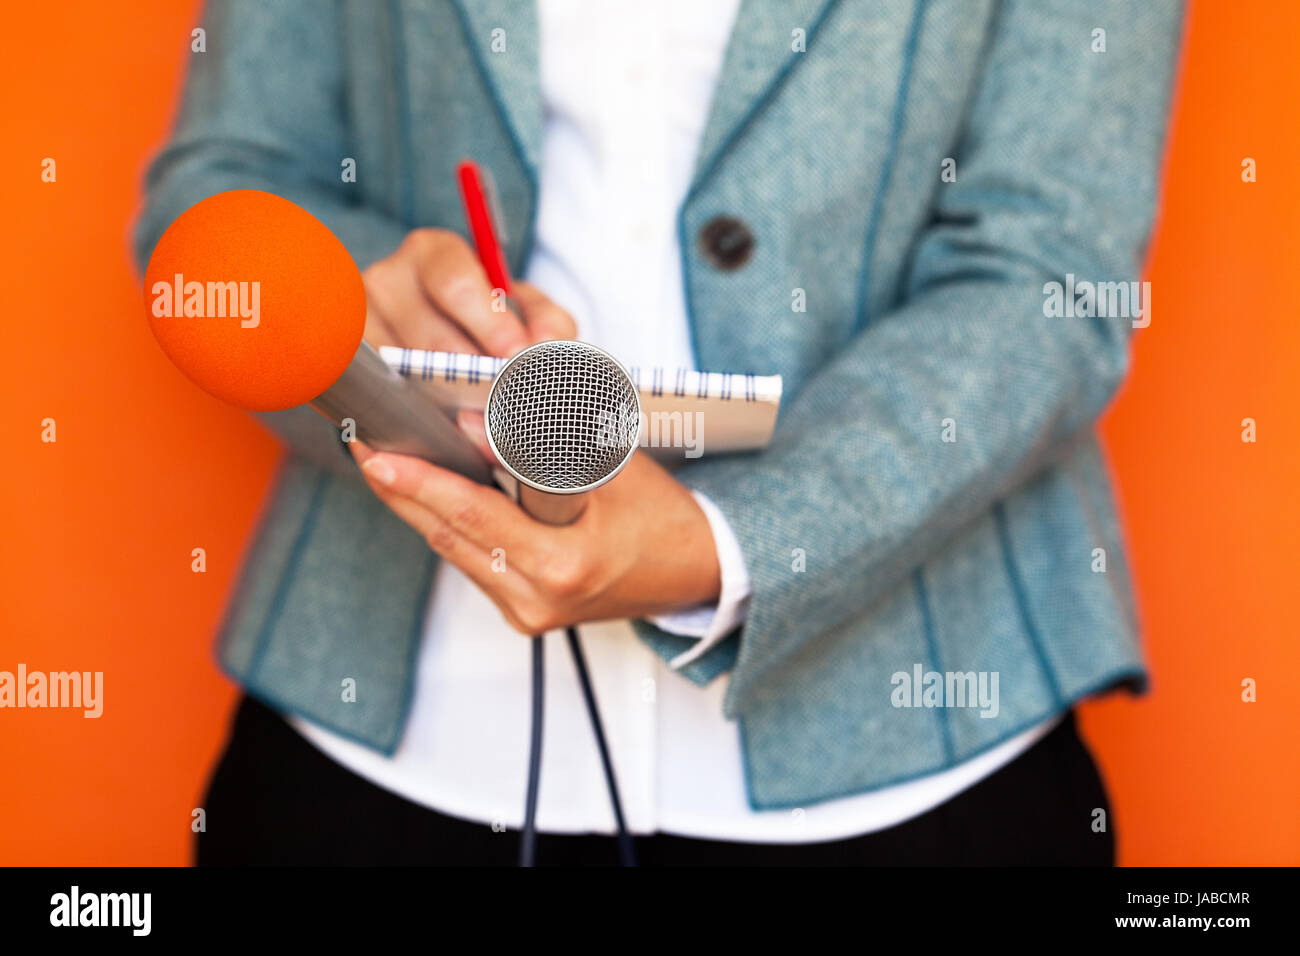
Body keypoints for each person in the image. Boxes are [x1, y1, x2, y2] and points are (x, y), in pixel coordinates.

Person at [135, 0, 1184, 865]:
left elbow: (1047, 273)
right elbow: (222, 187)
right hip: (377, 736)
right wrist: (358, 310)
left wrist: (738, 540)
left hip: (916, 758)